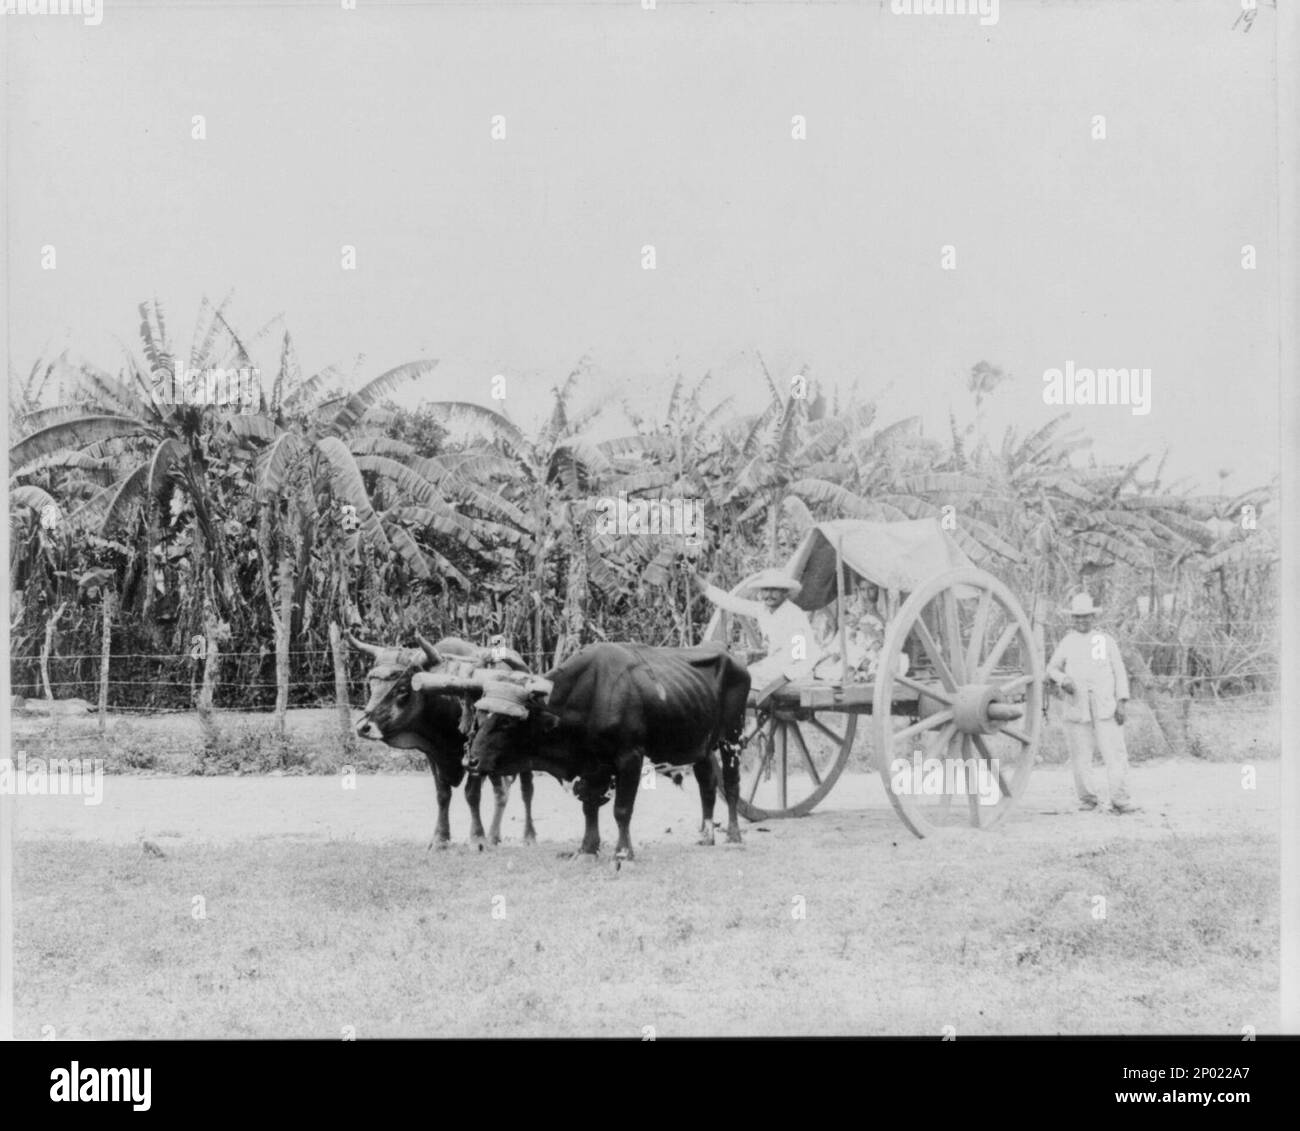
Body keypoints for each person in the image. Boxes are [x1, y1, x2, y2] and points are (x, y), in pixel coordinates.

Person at [1046, 593, 1140, 814]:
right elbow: (1051, 668)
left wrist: (1121, 702)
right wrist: (1063, 680)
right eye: (1078, 618)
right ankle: (1088, 799)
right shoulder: (1067, 642)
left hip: (1105, 706)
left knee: (1114, 754)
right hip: (1077, 706)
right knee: (1080, 755)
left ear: (1092, 617)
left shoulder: (1105, 641)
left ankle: (1120, 799)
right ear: (1073, 619)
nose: (1082, 621)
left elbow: (1119, 672)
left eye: (1086, 617)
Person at [690, 566, 822, 702]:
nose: (769, 595)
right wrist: (695, 577)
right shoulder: (763, 610)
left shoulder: (794, 615)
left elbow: (798, 655)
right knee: (736, 677)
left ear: (785, 592)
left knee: (741, 680)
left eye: (774, 590)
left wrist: (780, 677)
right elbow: (729, 602)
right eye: (765, 590)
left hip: (796, 668)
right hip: (776, 664)